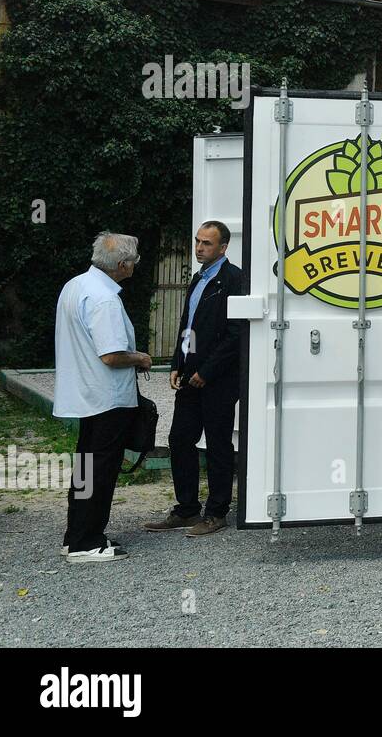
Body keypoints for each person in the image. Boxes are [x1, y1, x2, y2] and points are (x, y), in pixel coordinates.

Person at [56, 232, 152, 563]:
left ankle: (75, 535)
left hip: (84, 394)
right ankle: (87, 542)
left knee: (84, 467)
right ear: (122, 265)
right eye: (134, 262)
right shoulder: (106, 299)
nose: (135, 266)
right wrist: (140, 358)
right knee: (101, 470)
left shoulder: (76, 286)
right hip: (108, 397)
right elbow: (111, 355)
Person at [144, 221, 242, 537]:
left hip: (220, 380)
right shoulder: (199, 279)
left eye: (207, 244)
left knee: (217, 444)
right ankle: (187, 509)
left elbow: (235, 334)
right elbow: (189, 327)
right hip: (191, 376)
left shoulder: (233, 279)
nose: (199, 248)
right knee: (180, 439)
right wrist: (178, 362)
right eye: (198, 242)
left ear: (223, 247)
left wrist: (207, 371)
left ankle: (216, 512)